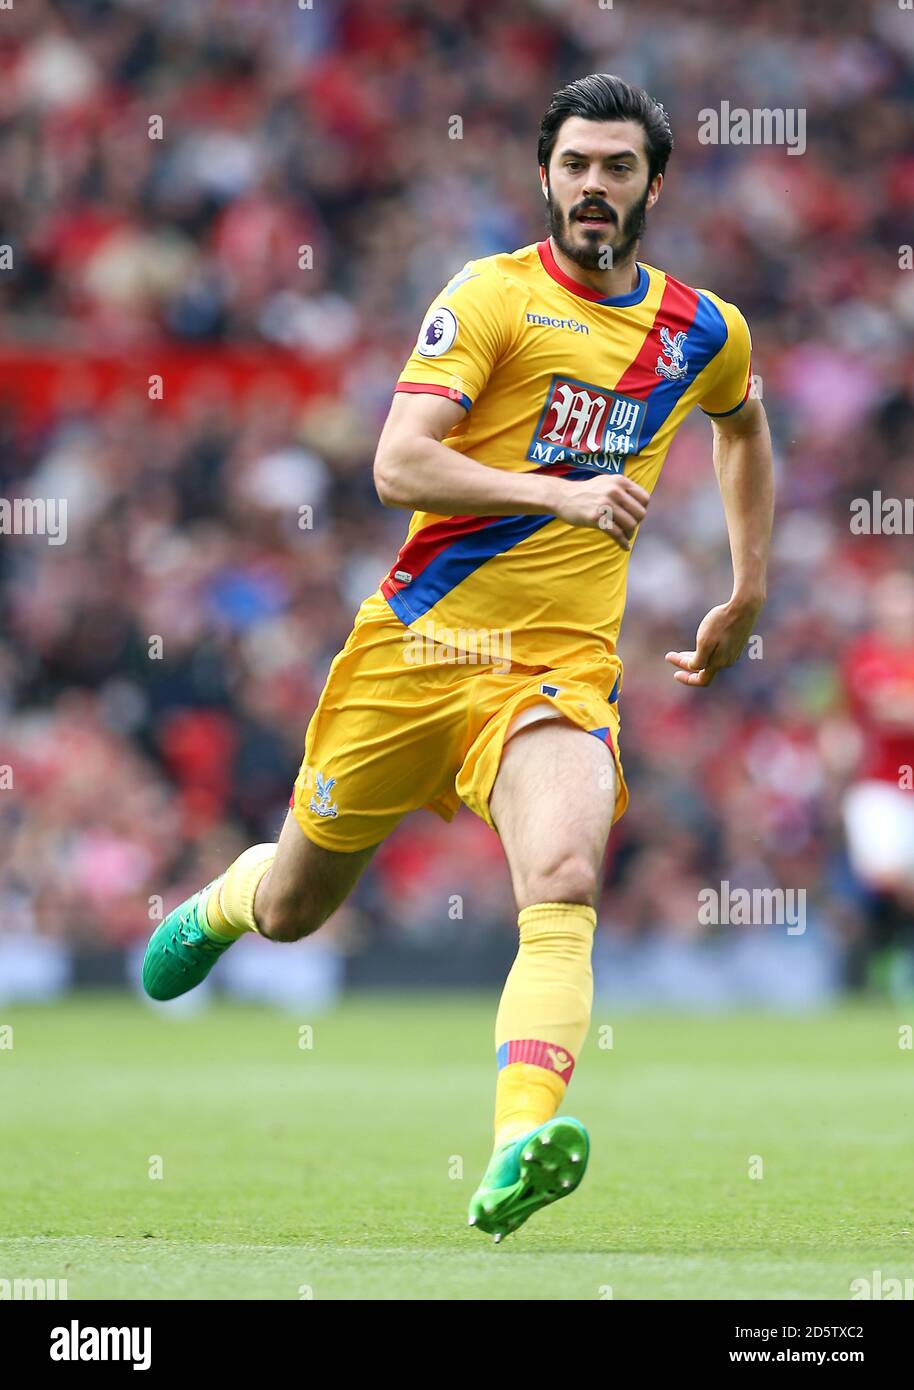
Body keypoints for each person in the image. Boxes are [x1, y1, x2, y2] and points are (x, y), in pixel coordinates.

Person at [143, 73, 774, 1242]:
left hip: (552, 675)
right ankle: (235, 894)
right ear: (544, 175)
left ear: (652, 185)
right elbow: (398, 464)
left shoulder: (701, 330)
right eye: (575, 165)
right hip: (416, 651)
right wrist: (560, 493)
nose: (593, 188)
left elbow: (740, 423)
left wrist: (745, 588)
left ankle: (513, 1144)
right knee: (296, 906)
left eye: (617, 168)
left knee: (566, 879)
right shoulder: (486, 297)